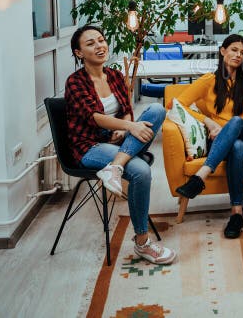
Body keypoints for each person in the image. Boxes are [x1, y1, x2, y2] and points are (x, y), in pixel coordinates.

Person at [65, 25, 175, 265]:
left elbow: (126, 111)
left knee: (157, 109)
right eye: (91, 43)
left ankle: (115, 167)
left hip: (121, 142)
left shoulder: (114, 76)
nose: (99, 46)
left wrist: (124, 127)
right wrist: (129, 128)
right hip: (90, 146)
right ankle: (143, 243)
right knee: (141, 170)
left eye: (102, 40)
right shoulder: (75, 82)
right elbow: (93, 117)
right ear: (79, 52)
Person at [171, 35, 243, 239]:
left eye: (242, 52)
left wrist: (232, 126)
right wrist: (208, 121)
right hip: (223, 141)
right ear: (222, 51)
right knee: (236, 147)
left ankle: (199, 177)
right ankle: (237, 215)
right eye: (234, 50)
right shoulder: (209, 81)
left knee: (237, 124)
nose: (238, 55)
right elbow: (177, 104)